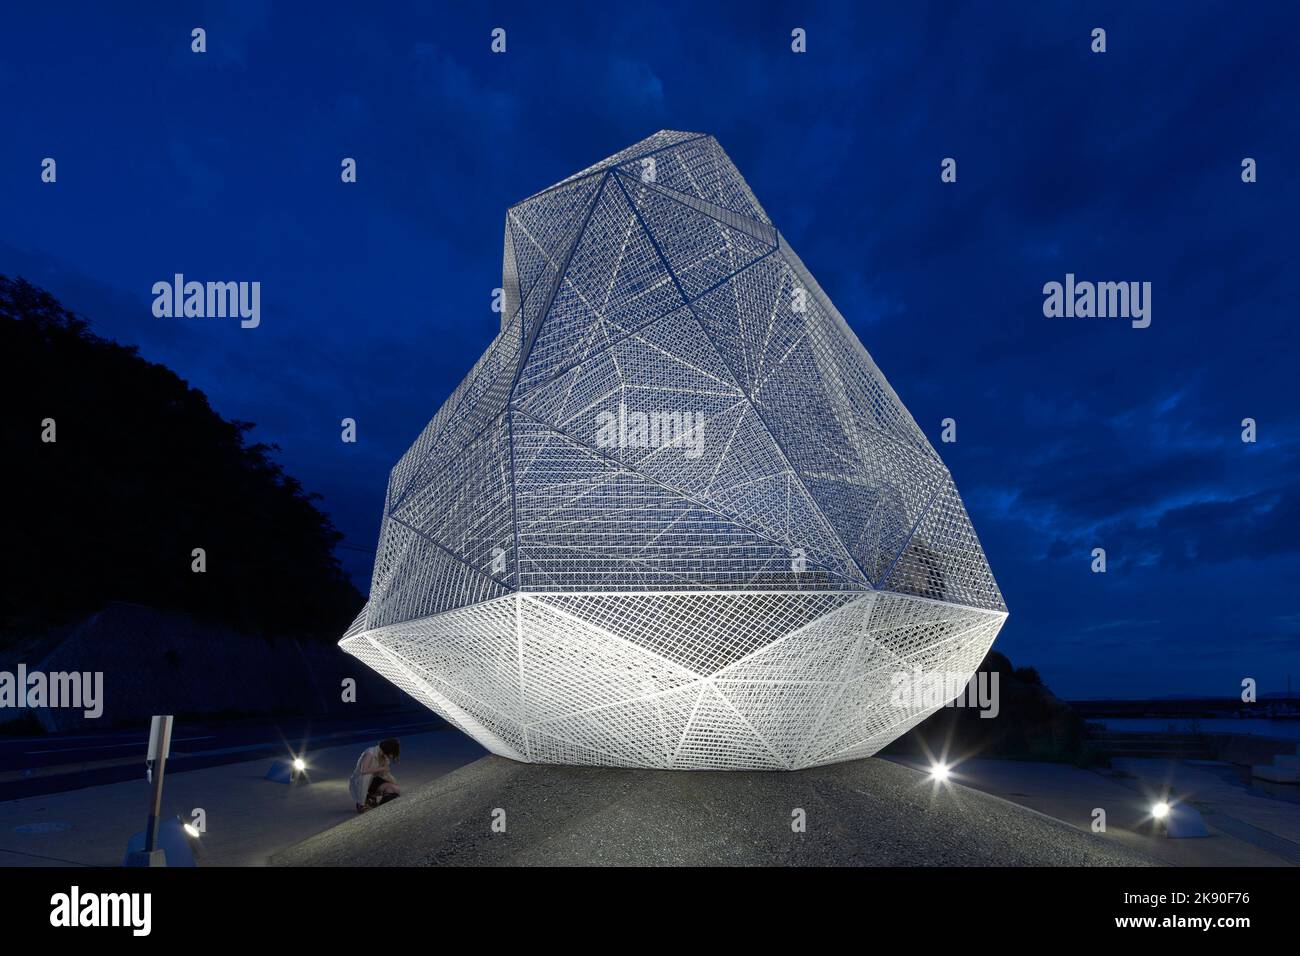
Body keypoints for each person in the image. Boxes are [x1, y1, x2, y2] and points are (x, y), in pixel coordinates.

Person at [349, 738, 401, 813]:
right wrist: (382, 768)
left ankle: (373, 800)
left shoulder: (384, 756)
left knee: (395, 789)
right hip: (361, 782)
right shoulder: (370, 753)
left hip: (374, 780)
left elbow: (385, 774)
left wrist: (393, 783)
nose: (391, 755)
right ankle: (362, 803)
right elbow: (364, 770)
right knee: (367, 775)